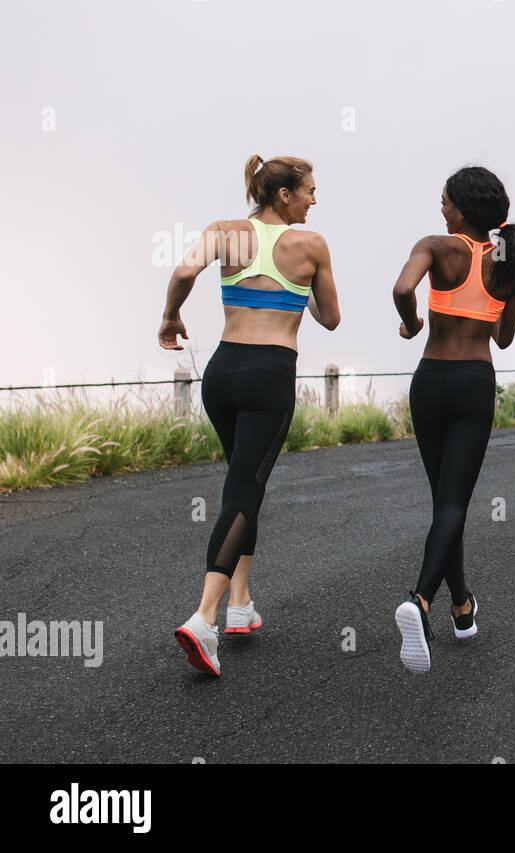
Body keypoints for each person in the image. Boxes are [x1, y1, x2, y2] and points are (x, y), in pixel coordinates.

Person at [160, 154, 341, 676]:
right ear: (284, 194)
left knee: (243, 485)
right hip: (269, 375)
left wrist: (170, 317)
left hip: (222, 374)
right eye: (309, 189)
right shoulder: (312, 245)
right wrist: (295, 286)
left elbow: (182, 272)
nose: (314, 198)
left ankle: (240, 605)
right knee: (244, 491)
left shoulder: (224, 231)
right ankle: (205, 618)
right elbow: (330, 319)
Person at [391, 165, 515, 673]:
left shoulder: (435, 246)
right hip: (474, 383)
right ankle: (421, 601)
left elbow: (401, 289)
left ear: (463, 207)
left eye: (446, 200)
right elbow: (504, 337)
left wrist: (411, 324)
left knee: (443, 503)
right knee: (452, 503)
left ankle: (461, 608)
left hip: (430, 381)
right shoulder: (507, 259)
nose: (442, 208)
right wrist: (497, 291)